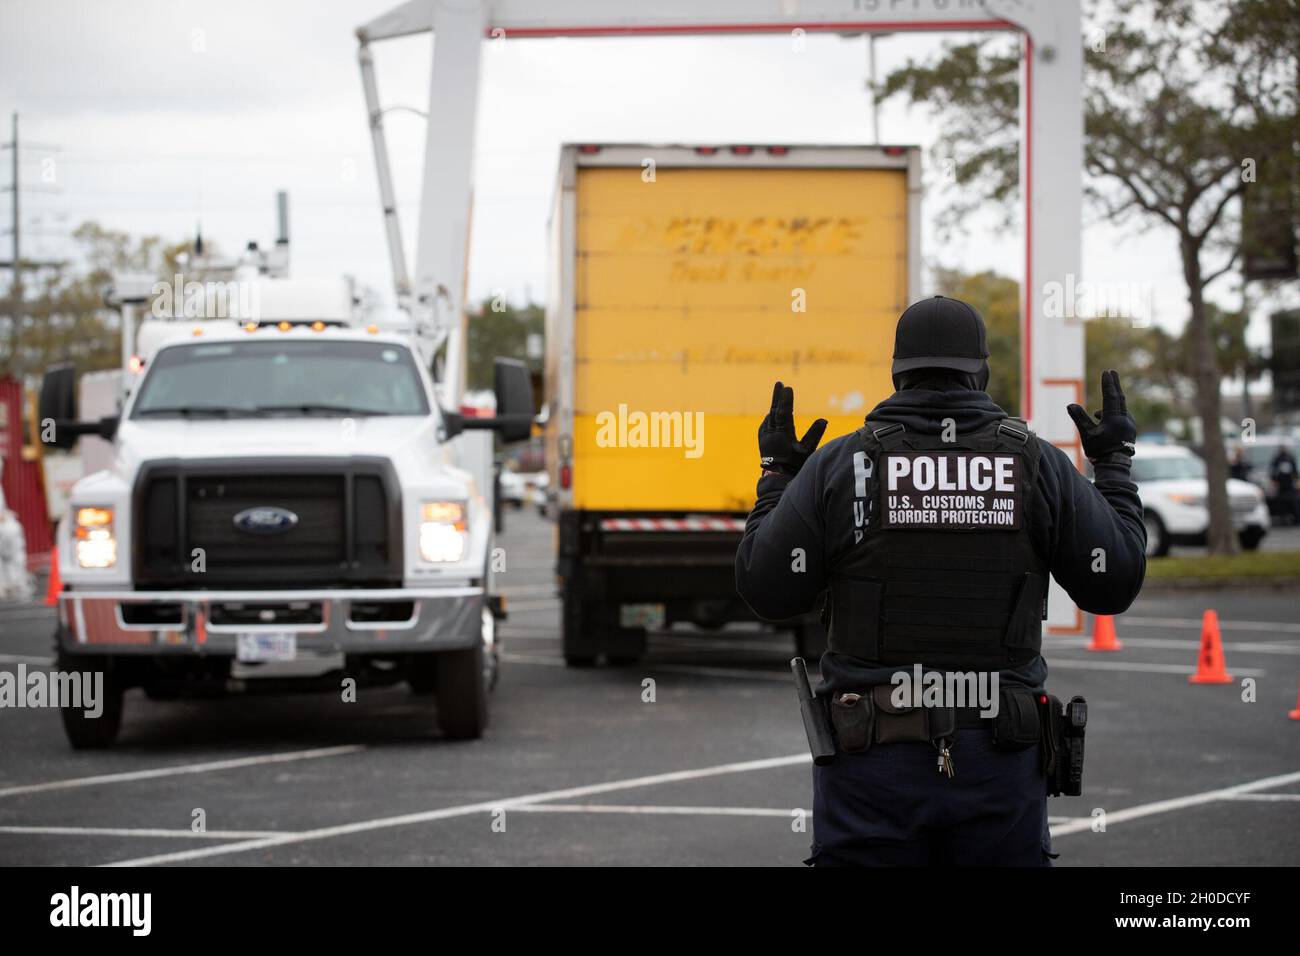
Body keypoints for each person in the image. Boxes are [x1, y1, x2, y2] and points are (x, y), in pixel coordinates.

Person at [736, 295, 1147, 866]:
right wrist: (1115, 468)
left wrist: (778, 477)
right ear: (980, 372)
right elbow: (1114, 583)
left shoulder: (841, 465)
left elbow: (766, 588)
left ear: (896, 374)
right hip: (999, 763)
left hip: (871, 766)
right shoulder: (1036, 463)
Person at [1270, 445, 1299, 524]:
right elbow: (1273, 470)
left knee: (1293, 501)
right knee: (1281, 502)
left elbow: (1294, 471)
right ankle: (1283, 518)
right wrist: (1274, 481)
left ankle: (1296, 518)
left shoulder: (1289, 458)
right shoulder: (1277, 459)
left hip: (1289, 484)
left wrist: (1296, 480)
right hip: (1281, 484)